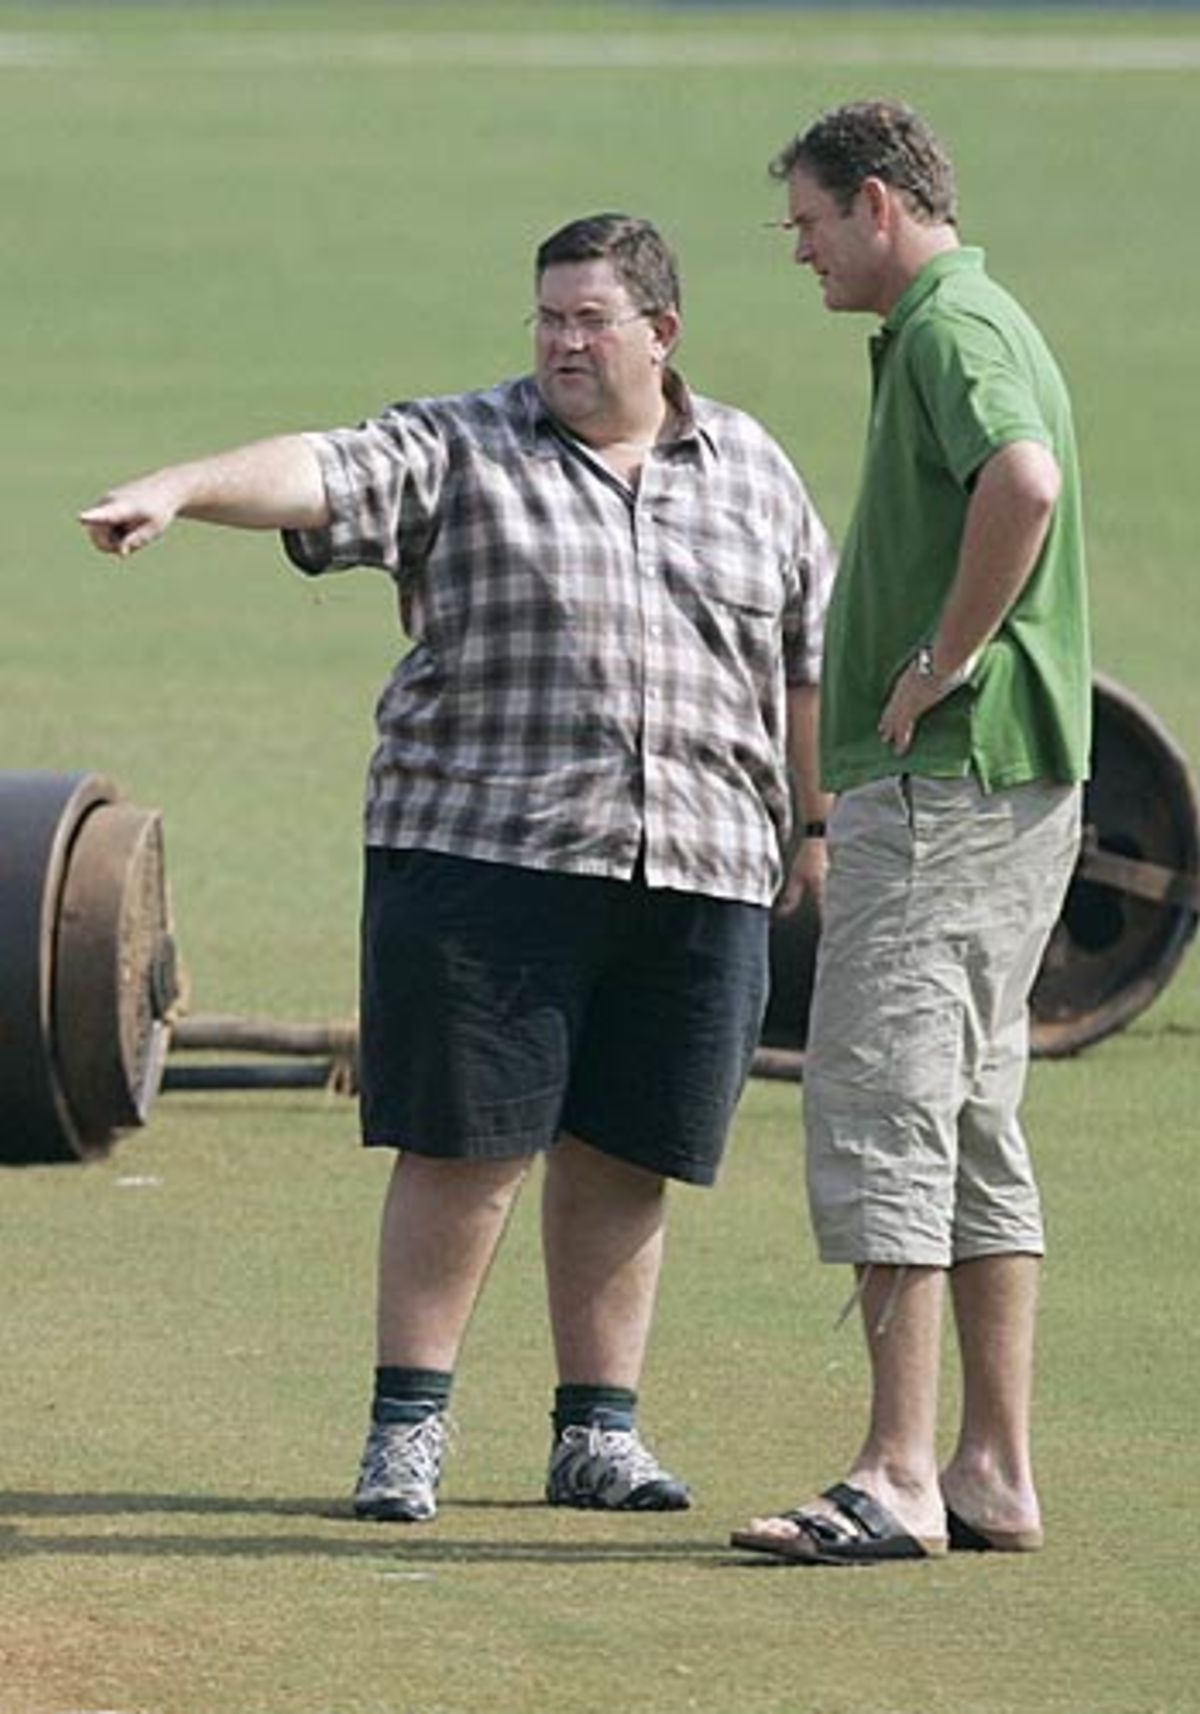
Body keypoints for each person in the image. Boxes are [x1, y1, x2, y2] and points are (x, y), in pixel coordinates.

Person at [81, 213, 836, 1524]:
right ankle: (406, 1433)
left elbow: (809, 660)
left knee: (628, 1153)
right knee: (462, 1151)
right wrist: (184, 488)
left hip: (699, 867)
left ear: (662, 332)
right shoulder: (467, 445)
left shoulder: (755, 469)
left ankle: (597, 1435)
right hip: (487, 860)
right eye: (547, 317)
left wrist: (815, 827)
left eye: (590, 319)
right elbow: (323, 469)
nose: (562, 341)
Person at [732, 102, 1090, 1565]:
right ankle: (990, 1469)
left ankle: (896, 1474)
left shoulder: (949, 328)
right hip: (1008, 788)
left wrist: (941, 658)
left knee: (883, 1099)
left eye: (812, 223)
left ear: (879, 205)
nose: (801, 252)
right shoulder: (969, 318)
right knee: (971, 1114)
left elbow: (1024, 480)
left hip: (948, 784)